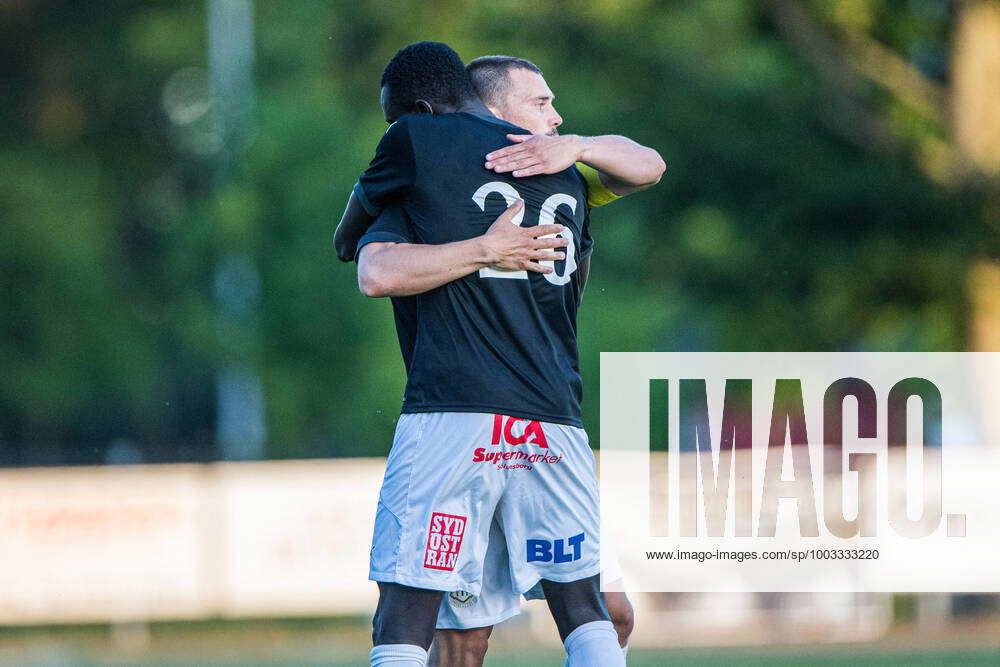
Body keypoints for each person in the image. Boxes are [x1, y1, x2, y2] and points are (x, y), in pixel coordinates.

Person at [344, 42, 662, 667]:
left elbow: (649, 164)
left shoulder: (564, 166)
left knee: (410, 612)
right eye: (541, 104)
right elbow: (377, 270)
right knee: (561, 613)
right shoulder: (433, 162)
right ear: (490, 110)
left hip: (480, 415)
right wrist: (486, 248)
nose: (556, 118)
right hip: (524, 415)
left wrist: (576, 146)